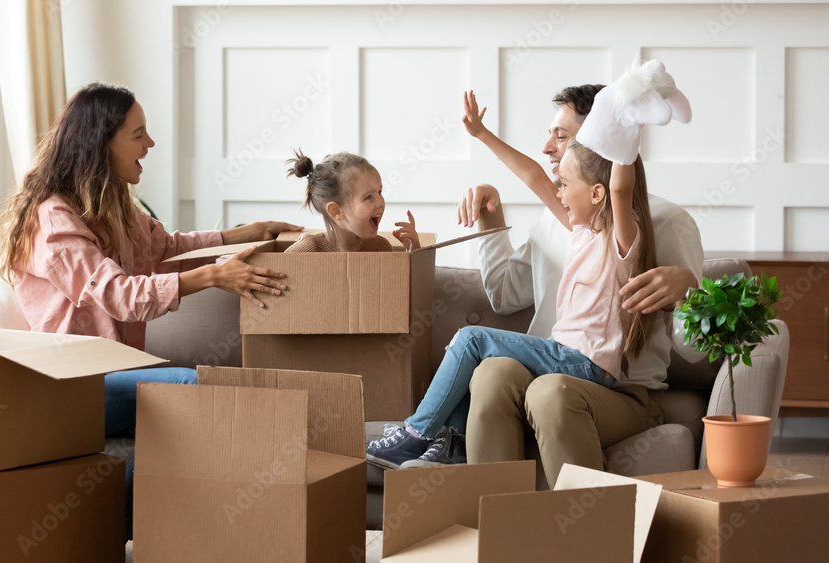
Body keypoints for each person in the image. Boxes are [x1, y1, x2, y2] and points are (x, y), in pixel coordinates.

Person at [0, 82, 301, 530]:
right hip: (69, 387)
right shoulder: (53, 220)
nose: (150, 144)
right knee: (191, 387)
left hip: (110, 373)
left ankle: (152, 526)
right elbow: (120, 296)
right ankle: (112, 523)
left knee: (201, 406)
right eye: (138, 134)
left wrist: (240, 233)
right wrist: (213, 275)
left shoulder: (110, 202)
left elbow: (166, 245)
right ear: (102, 142)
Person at [366, 90, 659, 470]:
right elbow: (533, 175)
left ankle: (416, 434)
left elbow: (621, 188)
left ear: (597, 193)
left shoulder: (619, 240)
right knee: (481, 362)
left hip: (585, 366)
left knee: (471, 339)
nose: (559, 193)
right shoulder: (579, 229)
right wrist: (482, 134)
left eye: (567, 185)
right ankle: (452, 442)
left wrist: (628, 129)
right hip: (567, 357)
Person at [457, 80, 703, 487]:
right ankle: (495, 530)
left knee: (550, 392)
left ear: (601, 144)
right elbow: (503, 295)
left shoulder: (660, 224)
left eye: (562, 136)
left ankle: (590, 537)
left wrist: (689, 289)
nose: (549, 148)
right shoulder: (568, 220)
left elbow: (693, 349)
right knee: (493, 371)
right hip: (546, 369)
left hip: (617, 390)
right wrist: (490, 205)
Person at [284, 150, 420, 252]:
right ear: (336, 211)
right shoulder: (308, 250)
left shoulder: (380, 248)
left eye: (379, 192)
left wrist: (414, 253)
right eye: (368, 197)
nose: (380, 202)